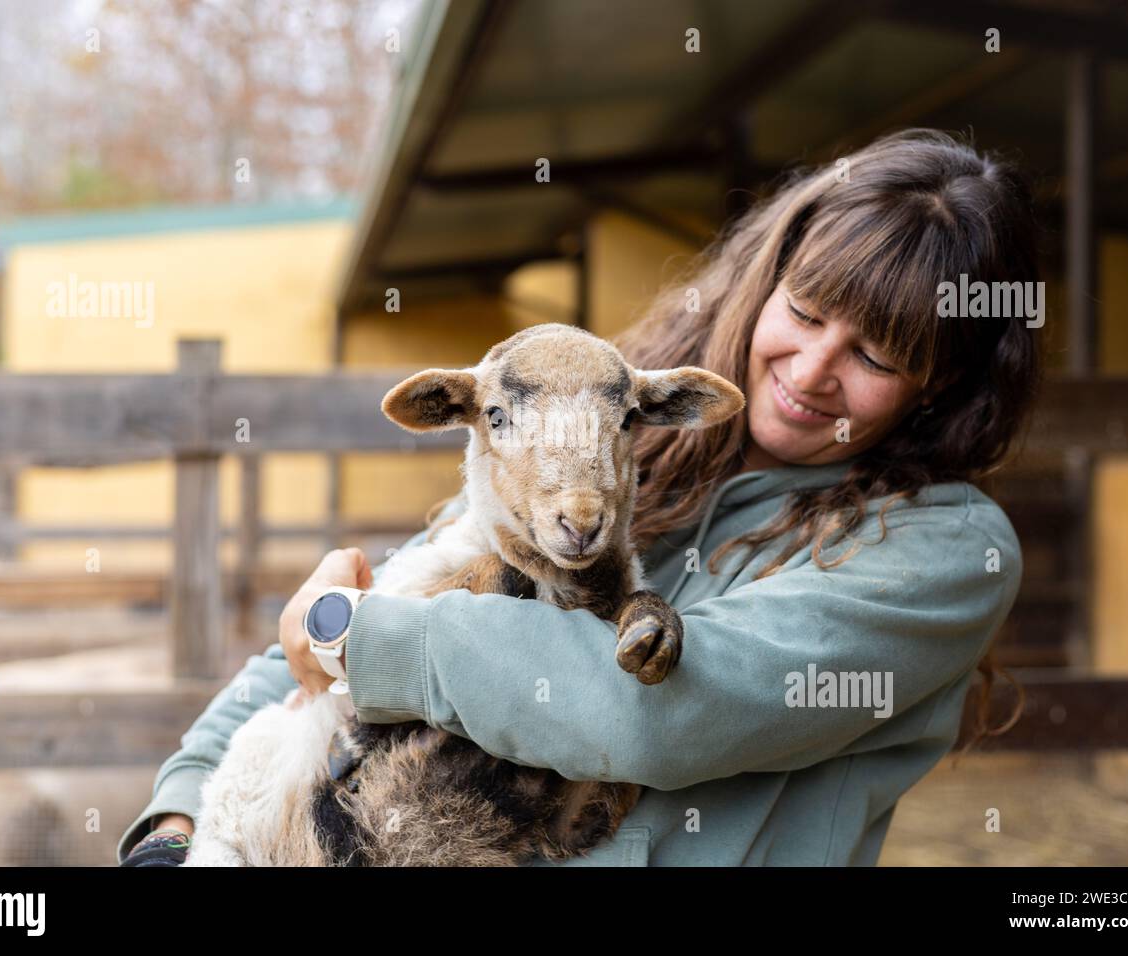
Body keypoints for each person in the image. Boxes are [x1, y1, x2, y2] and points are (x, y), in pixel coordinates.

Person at [119, 128, 1038, 867]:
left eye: (877, 356)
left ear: (943, 385)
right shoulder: (600, 442)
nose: (812, 370)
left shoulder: (942, 552)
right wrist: (178, 820)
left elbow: (665, 712)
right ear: (768, 281)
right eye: (802, 311)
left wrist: (361, 634)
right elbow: (331, 640)